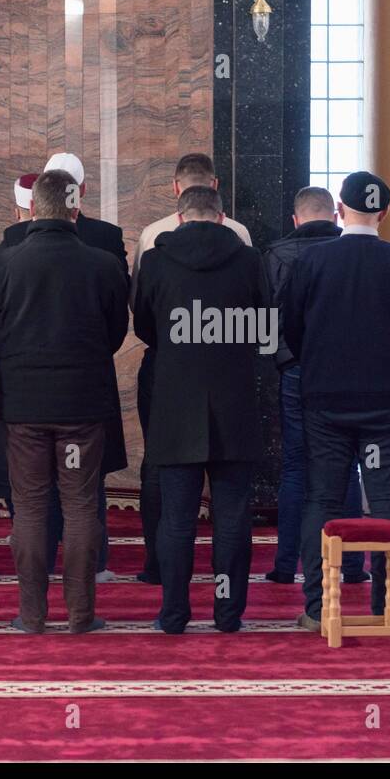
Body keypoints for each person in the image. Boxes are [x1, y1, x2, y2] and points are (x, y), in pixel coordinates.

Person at [0, 169, 128, 633]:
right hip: (83, 406)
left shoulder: (2, 263)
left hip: (23, 407)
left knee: (30, 507)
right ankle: (81, 615)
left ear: (33, 209)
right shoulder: (102, 264)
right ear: (75, 209)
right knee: (82, 506)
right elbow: (115, 334)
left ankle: (32, 615)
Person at [284, 171, 390, 631]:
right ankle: (389, 606)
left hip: (325, 398)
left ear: (340, 210)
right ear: (384, 213)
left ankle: (316, 607)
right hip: (388, 400)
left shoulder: (313, 261)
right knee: (388, 499)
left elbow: (292, 329)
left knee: (322, 498)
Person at [134, 185, 268, 633]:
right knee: (232, 519)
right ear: (222, 216)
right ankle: (228, 613)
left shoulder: (155, 259)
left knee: (176, 519)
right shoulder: (249, 259)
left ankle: (173, 614)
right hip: (234, 400)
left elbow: (144, 326)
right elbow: (265, 326)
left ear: (179, 216)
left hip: (175, 401)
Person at [262, 186, 367, 585]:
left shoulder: (276, 255)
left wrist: (282, 359)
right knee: (348, 465)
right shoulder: (353, 252)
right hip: (346, 370)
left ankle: (286, 564)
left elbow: (267, 317)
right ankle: (354, 566)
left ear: (295, 219)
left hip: (296, 369)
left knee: (295, 466)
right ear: (336, 215)